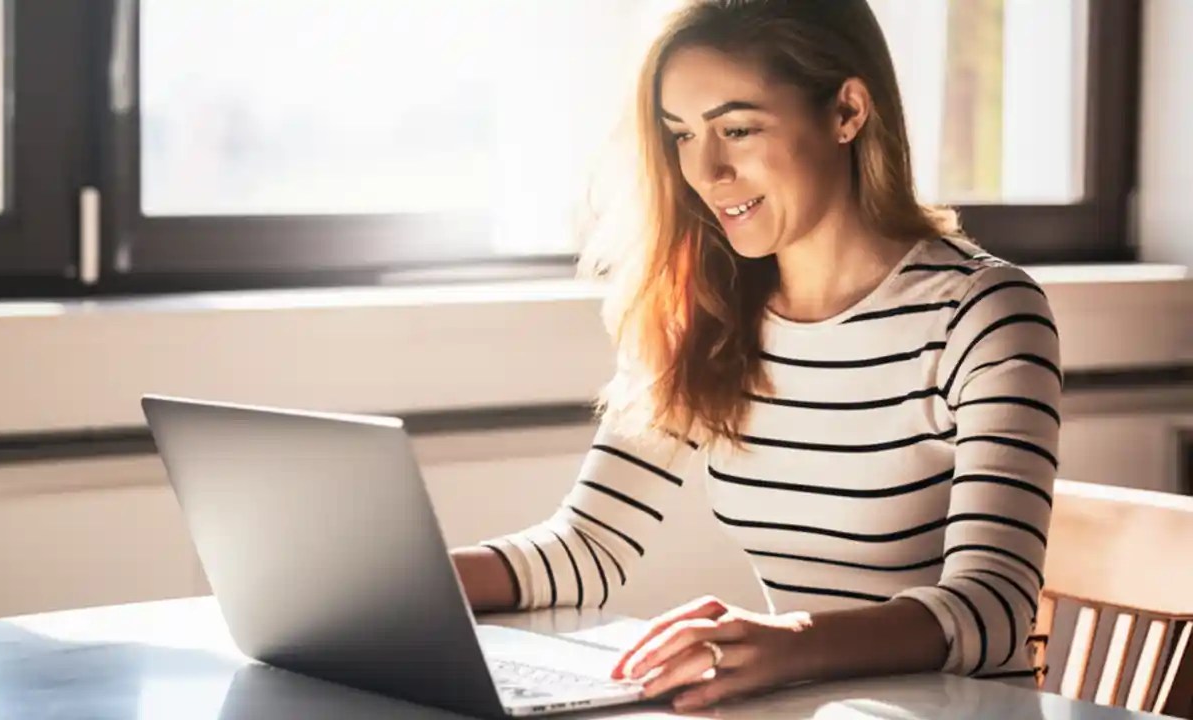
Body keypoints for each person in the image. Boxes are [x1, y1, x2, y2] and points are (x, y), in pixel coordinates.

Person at [451, 0, 1061, 712]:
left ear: (847, 112)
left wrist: (787, 643)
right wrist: (395, 590)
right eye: (680, 134)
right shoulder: (702, 312)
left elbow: (993, 609)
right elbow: (584, 550)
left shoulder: (982, 312)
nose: (706, 171)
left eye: (736, 128)